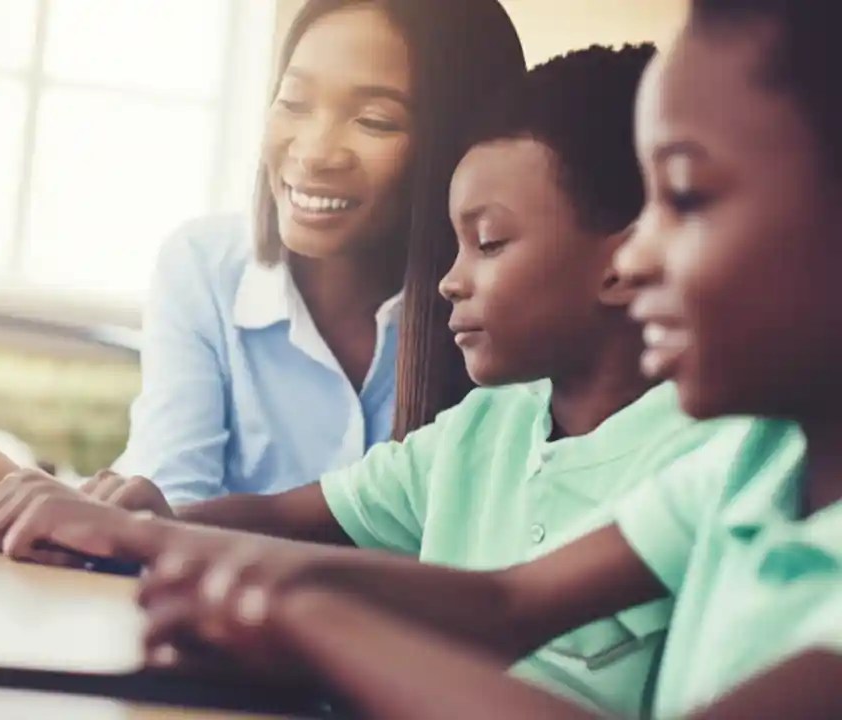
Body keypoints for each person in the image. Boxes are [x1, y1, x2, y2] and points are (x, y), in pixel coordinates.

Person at [0, 43, 711, 717]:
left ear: (627, 257)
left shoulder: (713, 458)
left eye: (489, 243)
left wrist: (295, 611)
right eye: (293, 99)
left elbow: (494, 610)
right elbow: (284, 520)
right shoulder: (484, 428)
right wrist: (131, 524)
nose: (449, 280)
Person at [130, 2, 842, 717]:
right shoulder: (753, 464)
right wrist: (218, 566)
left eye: (686, 198)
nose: (635, 256)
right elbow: (509, 602)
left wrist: (312, 617)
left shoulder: (717, 447)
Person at [0, 0, 526, 507]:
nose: (313, 152)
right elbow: (164, 503)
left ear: (464, 142)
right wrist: (19, 488)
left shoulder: (502, 315)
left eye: (373, 120)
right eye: (293, 102)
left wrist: (39, 494)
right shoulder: (205, 266)